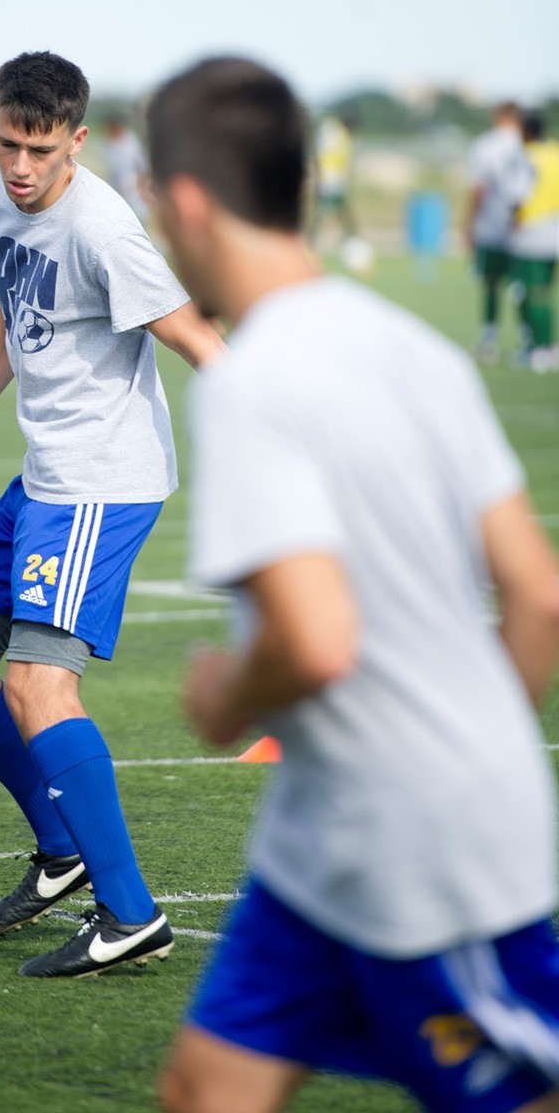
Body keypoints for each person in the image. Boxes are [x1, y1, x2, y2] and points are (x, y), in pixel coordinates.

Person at [146, 56, 559, 1113]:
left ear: (187, 202)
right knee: (203, 1090)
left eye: (153, 204)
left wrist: (225, 697)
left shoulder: (251, 384)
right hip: (317, 834)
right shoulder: (413, 350)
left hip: (410, 843)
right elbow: (537, 599)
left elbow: (314, 639)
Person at [0, 51, 223, 979]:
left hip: (102, 480)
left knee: (37, 689)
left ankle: (128, 915)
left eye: (40, 150)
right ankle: (62, 851)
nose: (20, 165)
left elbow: (192, 335)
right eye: (7, 142)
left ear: (76, 142)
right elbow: (13, 306)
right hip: (42, 474)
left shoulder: (103, 229)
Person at [465, 101, 524, 363]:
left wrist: (468, 222)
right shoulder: (528, 143)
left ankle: (489, 339)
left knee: (490, 283)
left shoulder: (485, 145)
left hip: (492, 225)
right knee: (524, 285)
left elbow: (480, 190)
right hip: (524, 226)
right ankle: (529, 338)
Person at [508, 111, 559, 372]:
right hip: (555, 231)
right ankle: (549, 346)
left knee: (531, 293)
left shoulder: (528, 157)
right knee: (545, 293)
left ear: (526, 132)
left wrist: (511, 224)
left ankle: (537, 349)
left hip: (532, 232)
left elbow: (518, 197)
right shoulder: (555, 153)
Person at [101, 112, 151, 224]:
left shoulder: (130, 142)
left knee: (139, 222)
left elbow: (141, 166)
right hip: (119, 193)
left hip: (134, 193)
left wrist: (142, 189)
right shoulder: (109, 144)